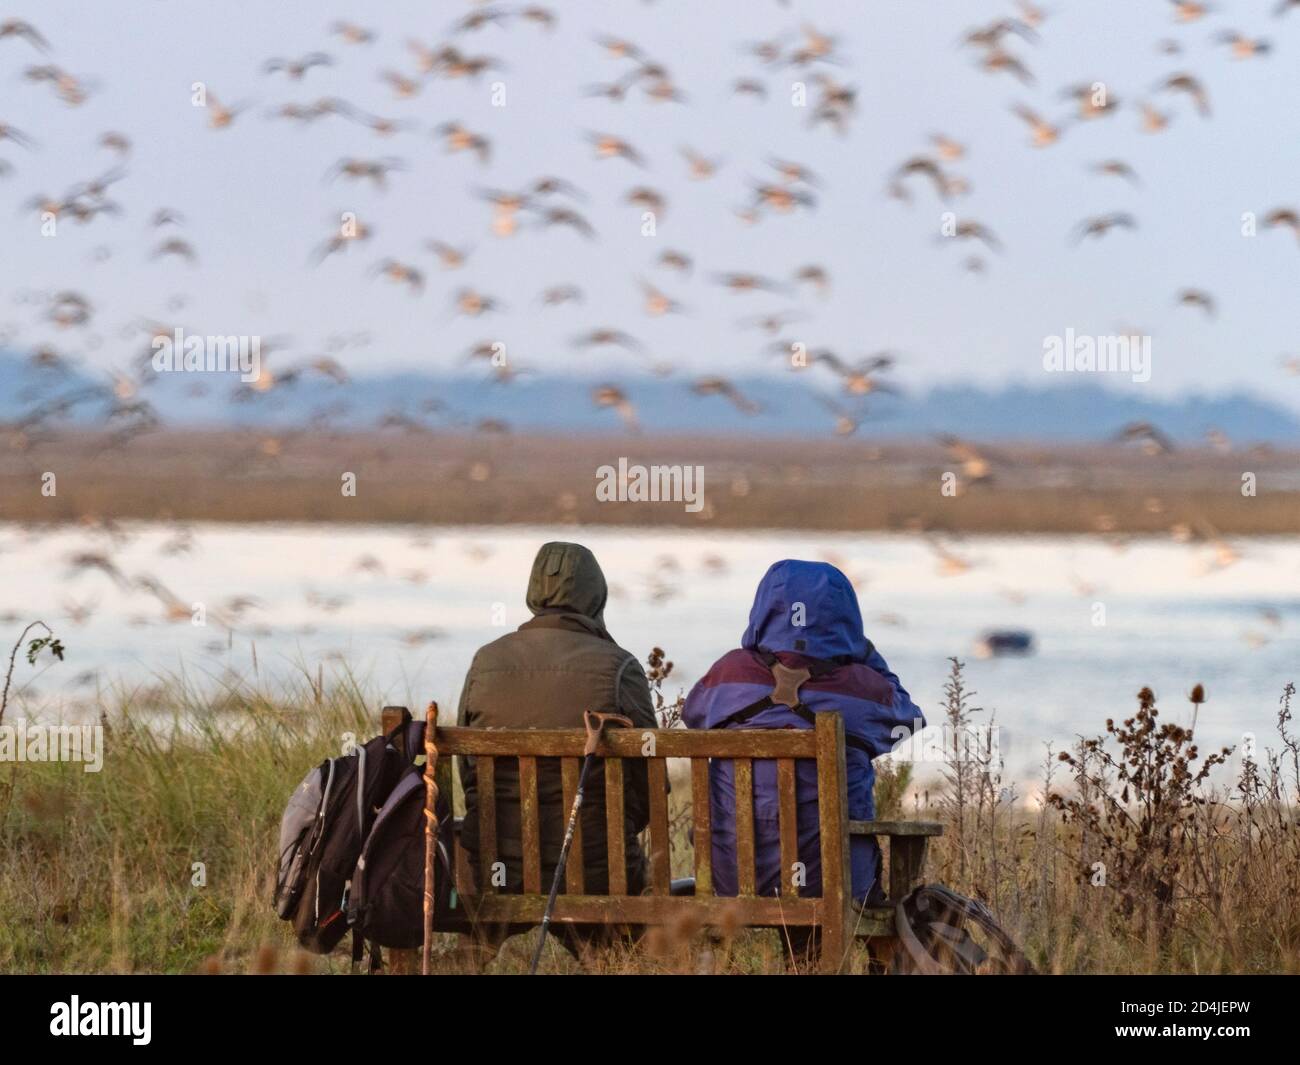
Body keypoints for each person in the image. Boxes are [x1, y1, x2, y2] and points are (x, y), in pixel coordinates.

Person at [682, 559, 924, 958]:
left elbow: (693, 714)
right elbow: (908, 717)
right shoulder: (862, 689)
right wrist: (863, 652)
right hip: (834, 884)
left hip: (732, 878)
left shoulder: (728, 676)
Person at [456, 541, 657, 960]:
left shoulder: (484, 663)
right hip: (597, 868)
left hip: (498, 868)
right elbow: (650, 785)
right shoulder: (619, 667)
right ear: (595, 595)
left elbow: (469, 773)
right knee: (624, 931)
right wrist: (621, 827)